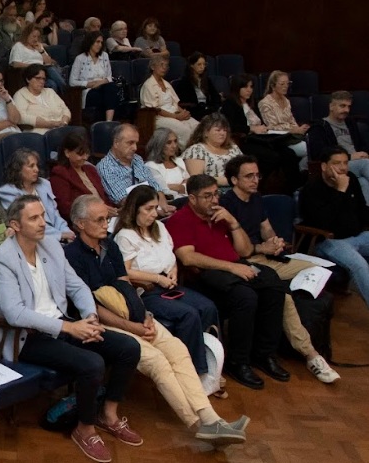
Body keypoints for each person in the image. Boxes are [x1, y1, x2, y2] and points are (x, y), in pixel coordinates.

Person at [65, 195, 247, 443]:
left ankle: (211, 418)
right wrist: (134, 327)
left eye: (107, 218)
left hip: (135, 316)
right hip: (103, 322)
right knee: (157, 362)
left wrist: (146, 316)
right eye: (99, 219)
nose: (106, 223)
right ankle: (197, 425)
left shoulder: (109, 245)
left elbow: (125, 285)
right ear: (79, 224)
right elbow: (91, 306)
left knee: (178, 350)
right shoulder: (72, 256)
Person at [0, 194, 142, 463]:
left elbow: (77, 286)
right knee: (92, 363)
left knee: (129, 347)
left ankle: (109, 414)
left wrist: (90, 317)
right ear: (15, 225)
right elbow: (15, 314)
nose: (42, 223)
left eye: (43, 216)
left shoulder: (51, 246)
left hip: (65, 324)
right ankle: (85, 428)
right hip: (29, 338)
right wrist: (69, 328)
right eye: (33, 218)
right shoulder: (2, 260)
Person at [220, 156, 339, 383]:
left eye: (258, 175)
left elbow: (266, 227)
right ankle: (311, 354)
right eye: (249, 176)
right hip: (246, 261)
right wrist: (259, 247)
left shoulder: (256, 198)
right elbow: (235, 249)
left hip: (268, 257)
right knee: (282, 295)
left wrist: (275, 242)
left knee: (318, 267)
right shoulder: (228, 204)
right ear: (234, 180)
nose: (256, 180)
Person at [166, 174, 288, 390]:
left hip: (235, 268)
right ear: (192, 199)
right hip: (204, 277)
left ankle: (264, 354)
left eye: (216, 194)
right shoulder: (180, 219)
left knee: (274, 287)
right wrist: (231, 267)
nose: (214, 200)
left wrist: (232, 222)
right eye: (207, 196)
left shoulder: (221, 216)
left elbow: (246, 250)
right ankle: (237, 362)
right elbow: (188, 257)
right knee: (246, 297)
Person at [114, 185, 221, 386]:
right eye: (148, 209)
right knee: (188, 315)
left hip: (169, 283)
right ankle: (194, 374)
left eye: (156, 208)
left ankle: (211, 365)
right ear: (134, 209)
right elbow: (126, 271)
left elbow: (171, 256)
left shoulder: (160, 228)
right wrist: (157, 278)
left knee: (208, 307)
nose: (154, 213)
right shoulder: (125, 236)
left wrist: (173, 269)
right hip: (147, 290)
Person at [299, 147, 369, 309]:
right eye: (337, 163)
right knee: (360, 266)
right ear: (324, 166)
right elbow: (323, 222)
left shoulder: (351, 178)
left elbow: (362, 211)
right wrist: (341, 191)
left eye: (345, 163)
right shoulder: (311, 189)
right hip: (330, 241)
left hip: (358, 236)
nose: (343, 168)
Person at [220, 73, 298, 191]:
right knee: (272, 157)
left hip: (262, 138)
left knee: (289, 153)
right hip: (246, 140)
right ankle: (260, 188)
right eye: (245, 87)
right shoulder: (229, 104)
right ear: (237, 88)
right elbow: (230, 126)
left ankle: (291, 190)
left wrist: (263, 128)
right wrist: (251, 129)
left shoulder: (252, 103)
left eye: (251, 87)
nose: (249, 90)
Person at [0, 149, 73, 240]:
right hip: (33, 239)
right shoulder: (7, 192)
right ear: (18, 169)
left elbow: (55, 214)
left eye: (37, 165)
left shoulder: (44, 184)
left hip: (58, 235)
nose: (36, 170)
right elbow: (26, 225)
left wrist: (66, 231)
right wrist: (60, 235)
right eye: (31, 166)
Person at [308, 90, 369, 200]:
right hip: (337, 165)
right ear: (331, 106)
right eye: (342, 106)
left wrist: (364, 153)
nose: (346, 110)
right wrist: (350, 157)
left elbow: (362, 144)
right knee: (366, 165)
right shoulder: (319, 127)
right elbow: (319, 153)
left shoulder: (351, 123)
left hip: (357, 163)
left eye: (348, 107)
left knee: (363, 183)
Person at [96, 124, 173, 210]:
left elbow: (155, 186)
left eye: (136, 143)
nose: (135, 148)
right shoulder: (105, 167)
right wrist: (154, 210)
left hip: (153, 207)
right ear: (116, 143)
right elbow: (124, 201)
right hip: (133, 214)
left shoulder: (137, 159)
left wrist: (164, 206)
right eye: (130, 143)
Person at [50, 132, 111, 221]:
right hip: (84, 221)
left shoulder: (91, 169)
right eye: (80, 154)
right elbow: (65, 208)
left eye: (87, 153)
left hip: (105, 216)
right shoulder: (60, 173)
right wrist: (99, 210)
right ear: (67, 153)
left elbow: (104, 197)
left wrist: (113, 210)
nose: (85, 158)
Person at [140, 54, 198, 148]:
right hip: (158, 118)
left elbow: (175, 103)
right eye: (161, 65)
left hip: (174, 114)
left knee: (197, 126)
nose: (164, 68)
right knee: (185, 131)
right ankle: (187, 156)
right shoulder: (148, 85)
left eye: (166, 65)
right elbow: (155, 109)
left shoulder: (167, 84)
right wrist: (176, 116)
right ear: (152, 67)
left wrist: (183, 112)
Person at [259, 70, 310, 166]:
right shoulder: (265, 103)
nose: (285, 86)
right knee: (311, 150)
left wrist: (299, 129)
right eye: (282, 84)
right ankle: (302, 170)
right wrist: (293, 130)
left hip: (293, 135)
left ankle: (303, 169)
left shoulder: (286, 101)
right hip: (280, 138)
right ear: (273, 85)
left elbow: (291, 120)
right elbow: (272, 126)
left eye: (287, 83)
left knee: (316, 146)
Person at [69, 31, 119, 121]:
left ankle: (108, 121)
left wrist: (100, 82)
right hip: (89, 91)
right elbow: (72, 82)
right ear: (90, 42)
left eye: (101, 42)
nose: (99, 45)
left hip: (105, 87)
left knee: (111, 87)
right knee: (108, 95)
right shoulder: (80, 58)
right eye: (97, 42)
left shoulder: (105, 56)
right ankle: (108, 122)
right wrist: (89, 84)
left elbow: (109, 77)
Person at [181, 114, 242, 187]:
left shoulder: (233, 148)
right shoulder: (196, 150)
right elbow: (197, 180)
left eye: (225, 130)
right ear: (206, 132)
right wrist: (229, 181)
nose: (222, 133)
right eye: (218, 130)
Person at [13, 64, 70, 133]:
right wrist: (50, 124)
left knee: (80, 131)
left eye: (43, 79)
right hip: (39, 132)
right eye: (38, 78)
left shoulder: (50, 92)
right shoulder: (20, 94)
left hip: (61, 128)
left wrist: (64, 122)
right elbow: (21, 117)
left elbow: (65, 110)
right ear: (28, 79)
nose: (42, 81)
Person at [8, 26, 65, 92]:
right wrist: (34, 66)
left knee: (52, 84)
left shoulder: (39, 46)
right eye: (34, 36)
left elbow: (49, 62)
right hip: (29, 72)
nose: (36, 39)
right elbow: (15, 64)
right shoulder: (19, 46)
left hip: (43, 72)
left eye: (38, 37)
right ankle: (66, 89)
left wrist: (41, 51)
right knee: (50, 69)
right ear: (26, 35)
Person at [172, 52, 220, 121]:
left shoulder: (207, 80)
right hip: (193, 111)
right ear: (192, 65)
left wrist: (214, 107)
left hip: (207, 109)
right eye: (199, 64)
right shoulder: (184, 81)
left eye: (204, 64)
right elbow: (183, 102)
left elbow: (215, 96)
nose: (202, 67)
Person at [143, 128, 189, 199]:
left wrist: (177, 187)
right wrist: (181, 187)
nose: (174, 146)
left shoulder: (179, 161)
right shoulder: (151, 166)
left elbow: (190, 184)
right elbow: (162, 190)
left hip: (186, 198)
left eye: (175, 141)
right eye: (169, 142)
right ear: (159, 145)